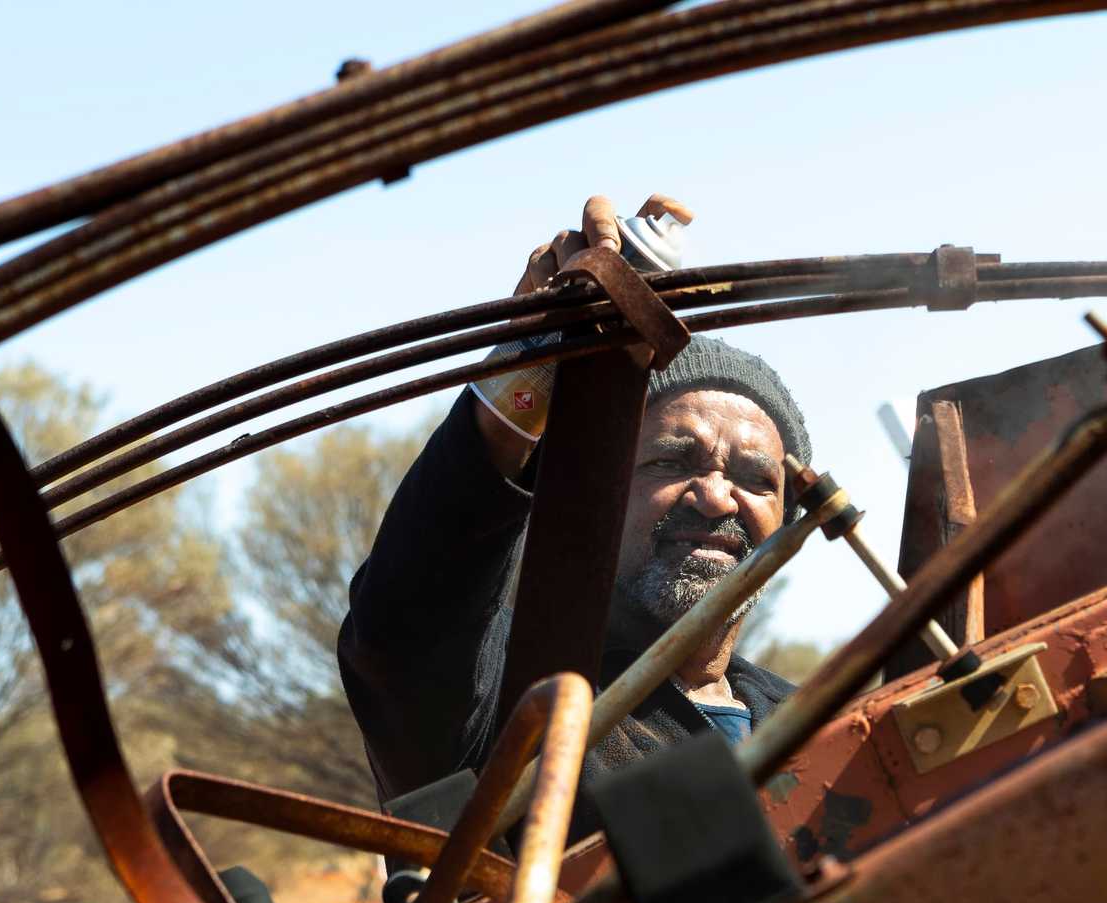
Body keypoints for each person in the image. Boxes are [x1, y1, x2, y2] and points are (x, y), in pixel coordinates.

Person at [337, 195, 810, 822]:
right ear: (598, 490)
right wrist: (536, 355)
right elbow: (401, 632)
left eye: (755, 479)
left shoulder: (815, 721)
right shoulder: (518, 693)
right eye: (673, 462)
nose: (717, 496)